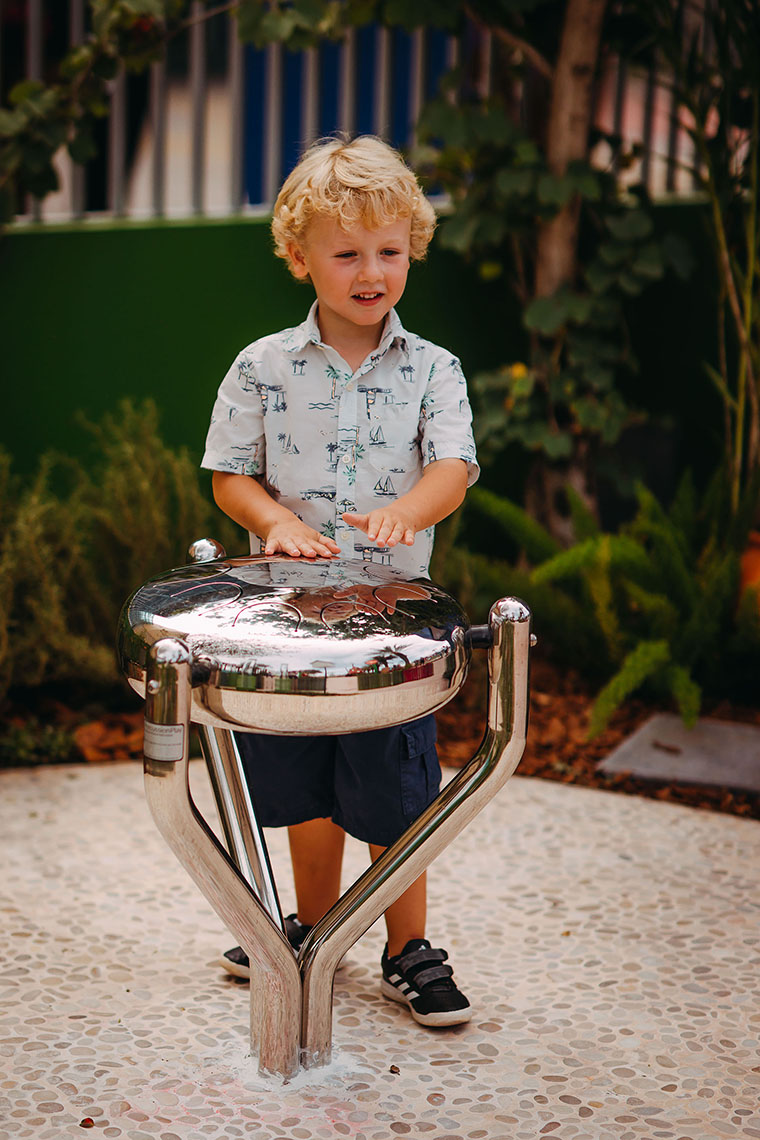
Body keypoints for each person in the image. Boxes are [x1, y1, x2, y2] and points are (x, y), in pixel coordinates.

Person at [201, 135, 479, 1027]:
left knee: (395, 794)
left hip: (389, 630)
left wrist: (412, 510)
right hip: (288, 623)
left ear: (411, 250)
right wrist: (273, 522)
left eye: (388, 251)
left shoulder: (434, 368)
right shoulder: (262, 366)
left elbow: (455, 466)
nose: (372, 272)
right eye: (347, 252)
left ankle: (408, 948)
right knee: (302, 789)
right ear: (299, 258)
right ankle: (311, 926)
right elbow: (229, 474)